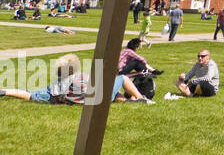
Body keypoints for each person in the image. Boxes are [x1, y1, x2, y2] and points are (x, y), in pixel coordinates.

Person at [1, 53, 150, 104]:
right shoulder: (84, 78)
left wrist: (7, 91)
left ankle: (4, 92)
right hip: (100, 97)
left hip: (88, 100)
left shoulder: (54, 90)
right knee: (122, 78)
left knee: (30, 93)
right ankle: (140, 98)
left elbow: (29, 95)